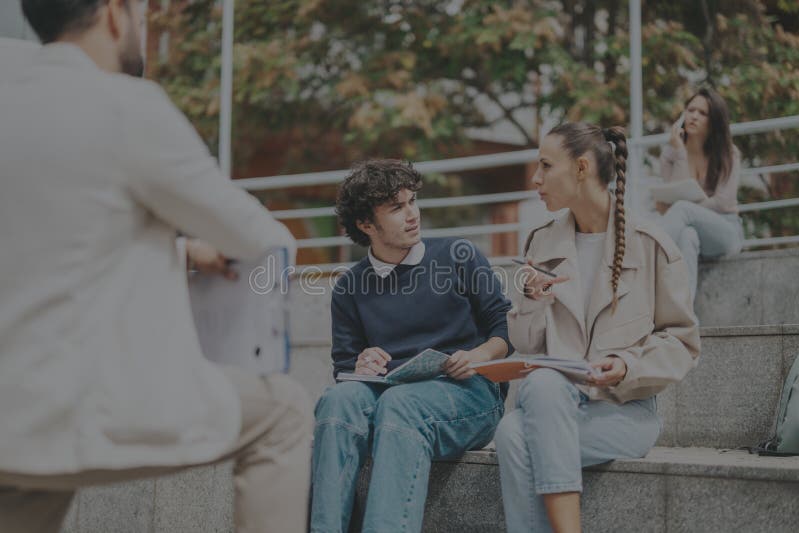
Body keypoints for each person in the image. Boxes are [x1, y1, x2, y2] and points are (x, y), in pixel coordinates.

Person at [0, 2, 312, 532]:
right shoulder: (125, 107)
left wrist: (182, 249)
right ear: (115, 15)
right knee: (284, 413)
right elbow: (265, 242)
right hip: (81, 407)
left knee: (26, 486)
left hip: (15, 417)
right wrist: (201, 240)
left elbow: (52, 232)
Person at [493, 123, 700, 533]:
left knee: (524, 417)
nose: (536, 179)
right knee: (515, 427)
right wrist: (534, 300)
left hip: (623, 414)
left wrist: (627, 365)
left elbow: (682, 342)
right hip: (555, 405)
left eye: (546, 166)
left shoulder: (652, 244)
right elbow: (524, 342)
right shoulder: (540, 244)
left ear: (582, 168)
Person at [310, 159, 513, 533]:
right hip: (391, 392)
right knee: (337, 402)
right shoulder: (349, 288)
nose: (412, 215)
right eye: (397, 208)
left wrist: (478, 355)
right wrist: (363, 362)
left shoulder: (458, 256)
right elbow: (343, 369)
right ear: (366, 225)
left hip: (470, 394)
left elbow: (504, 331)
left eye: (413, 201)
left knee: (399, 405)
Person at [657, 87, 744, 299]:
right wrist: (679, 154)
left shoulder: (728, 153)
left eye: (702, 113)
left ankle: (648, 257)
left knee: (683, 209)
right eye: (690, 109)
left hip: (726, 232)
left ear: (714, 121)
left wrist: (685, 208)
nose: (693, 116)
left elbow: (723, 203)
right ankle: (687, 319)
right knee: (687, 236)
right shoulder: (670, 153)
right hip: (691, 233)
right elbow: (667, 202)